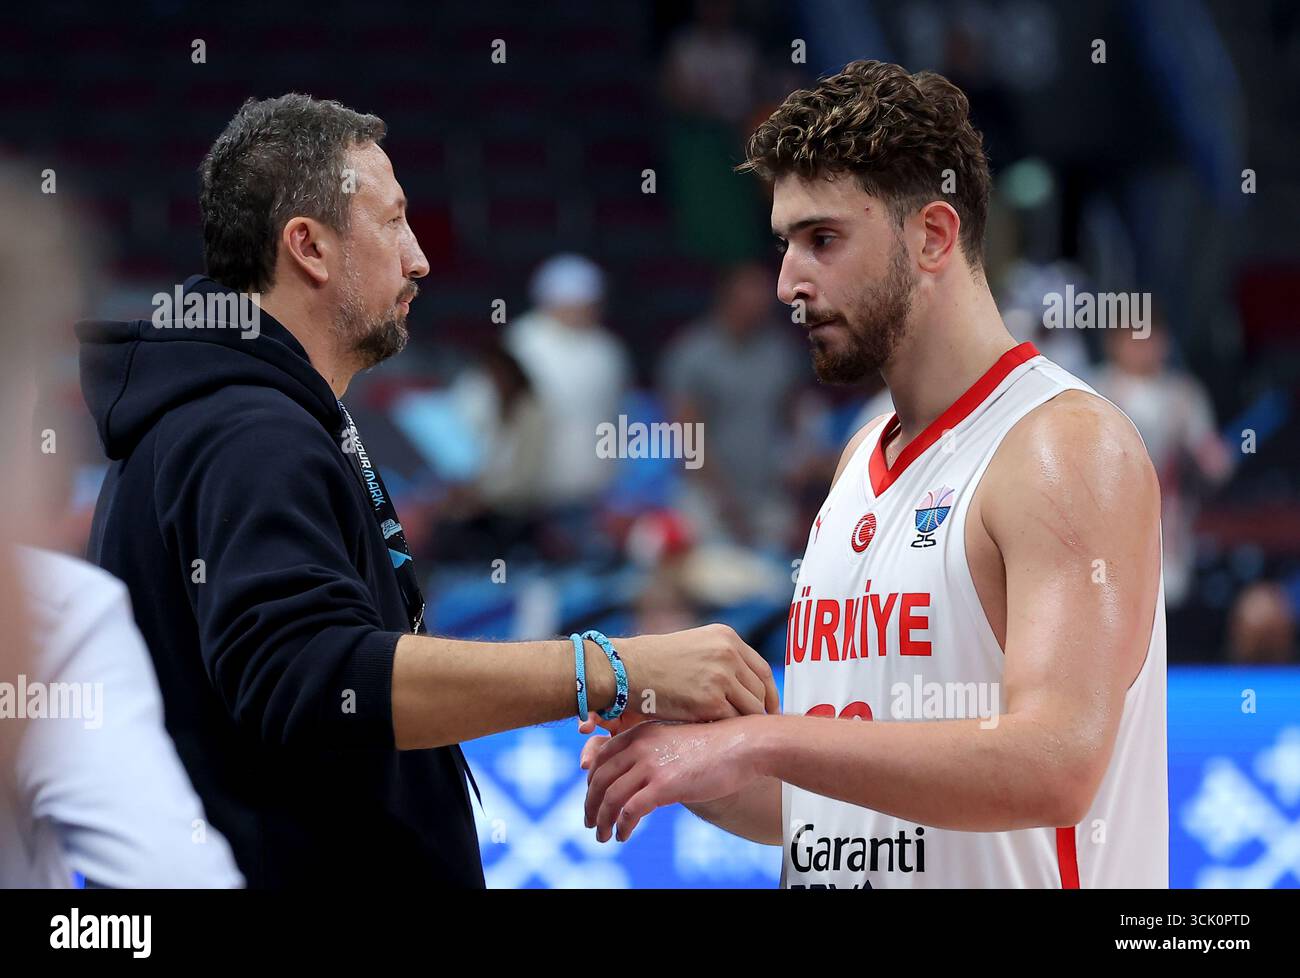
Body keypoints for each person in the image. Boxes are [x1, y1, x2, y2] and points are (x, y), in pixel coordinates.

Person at [77, 94, 778, 888]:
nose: (419, 258)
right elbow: (312, 678)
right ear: (308, 247)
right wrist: (609, 665)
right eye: (393, 221)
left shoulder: (238, 415)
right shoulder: (248, 431)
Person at [582, 60, 1168, 889]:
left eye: (822, 239)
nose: (788, 282)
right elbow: (839, 814)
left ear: (932, 235)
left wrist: (757, 736)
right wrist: (680, 760)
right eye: (783, 243)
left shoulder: (1063, 444)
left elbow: (1053, 766)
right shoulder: (861, 453)